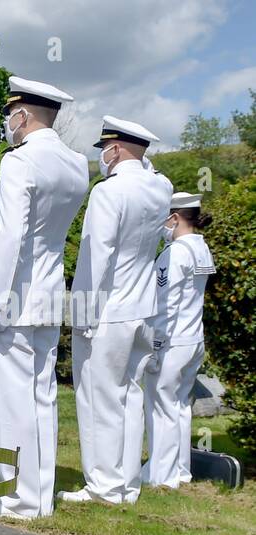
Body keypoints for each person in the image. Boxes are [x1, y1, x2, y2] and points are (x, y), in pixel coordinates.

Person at [0, 77, 88, 521]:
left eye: (9, 114)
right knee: (42, 396)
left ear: (21, 115)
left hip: (15, 295)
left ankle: (17, 498)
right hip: (50, 293)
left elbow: (10, 235)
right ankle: (38, 495)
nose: (7, 123)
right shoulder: (78, 164)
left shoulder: (19, 162)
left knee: (13, 397)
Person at [63, 116, 172, 506]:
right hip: (144, 307)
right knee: (128, 395)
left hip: (109, 309)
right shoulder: (161, 187)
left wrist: (83, 313)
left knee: (99, 397)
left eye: (104, 149)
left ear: (114, 148)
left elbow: (97, 258)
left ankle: (104, 486)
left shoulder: (109, 191)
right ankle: (126, 485)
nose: (102, 157)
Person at [141, 191, 215, 488]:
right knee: (179, 407)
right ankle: (181, 471)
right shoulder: (202, 248)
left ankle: (161, 475)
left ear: (174, 218)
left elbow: (164, 304)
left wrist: (155, 345)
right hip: (193, 338)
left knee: (161, 408)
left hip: (172, 340)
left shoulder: (174, 253)